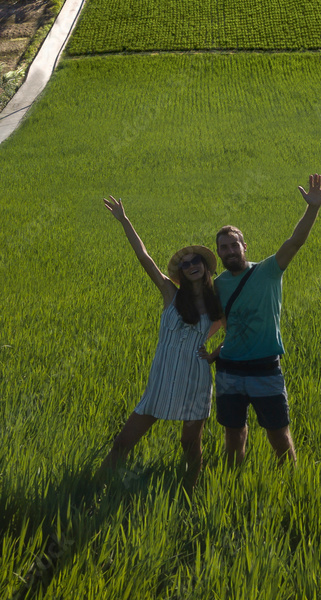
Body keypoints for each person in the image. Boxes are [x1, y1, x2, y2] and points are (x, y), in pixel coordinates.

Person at [98, 197, 223, 485]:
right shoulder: (171, 294)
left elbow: (240, 329)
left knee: (190, 445)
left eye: (196, 262)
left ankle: (192, 491)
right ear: (180, 272)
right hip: (162, 381)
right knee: (123, 442)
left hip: (195, 383)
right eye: (186, 263)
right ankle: (92, 487)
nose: (191, 265)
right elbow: (144, 258)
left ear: (205, 267)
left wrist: (215, 352)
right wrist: (124, 220)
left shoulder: (217, 301)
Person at [203, 173, 321, 466]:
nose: (230, 251)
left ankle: (291, 486)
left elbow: (295, 241)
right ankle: (232, 483)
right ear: (218, 253)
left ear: (245, 247)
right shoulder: (218, 285)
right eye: (224, 247)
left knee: (279, 435)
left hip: (265, 369)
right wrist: (206, 350)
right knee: (233, 435)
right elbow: (217, 320)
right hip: (229, 370)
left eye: (234, 245)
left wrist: (313, 207)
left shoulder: (269, 270)